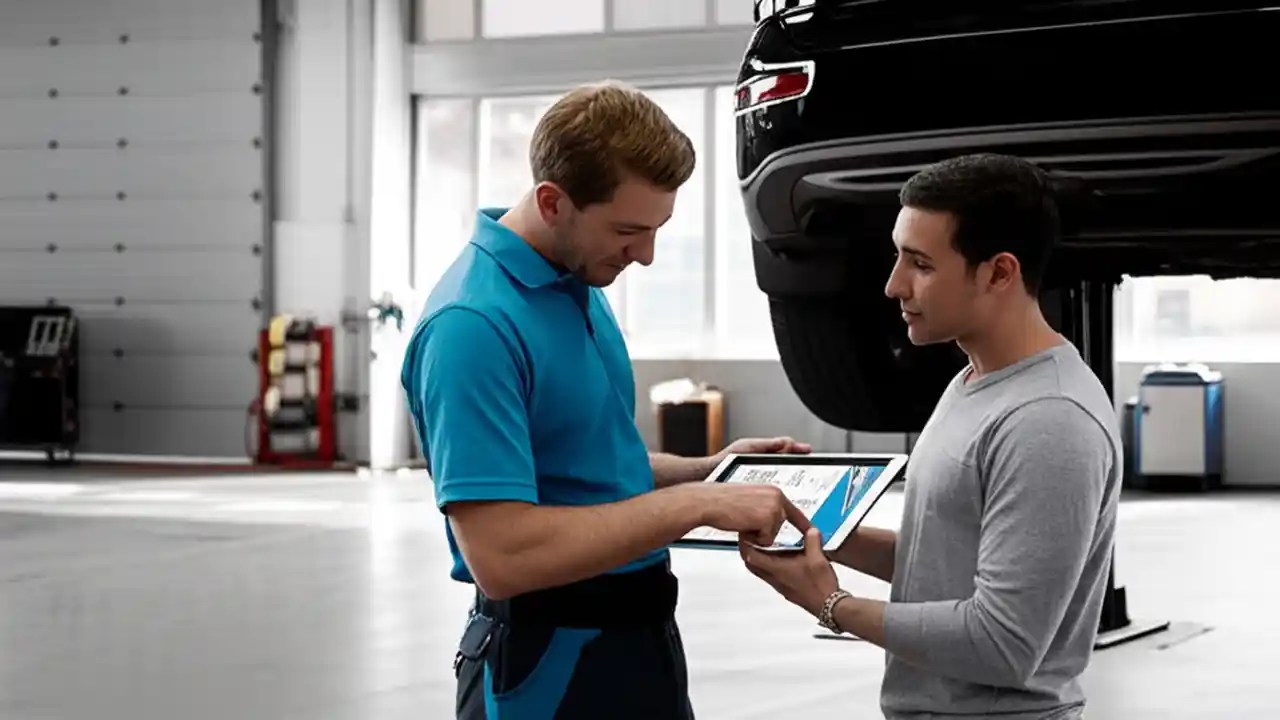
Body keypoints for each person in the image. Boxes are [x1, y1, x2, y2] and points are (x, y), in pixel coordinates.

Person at [400, 80, 813, 720]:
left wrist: (706, 470)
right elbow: (503, 555)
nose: (644, 256)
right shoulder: (472, 328)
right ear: (552, 202)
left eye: (656, 231)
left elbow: (583, 464)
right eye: (627, 230)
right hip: (550, 661)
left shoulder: (577, 278)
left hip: (638, 640)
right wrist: (696, 505)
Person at [739, 153, 1122, 719]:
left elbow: (1002, 643)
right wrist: (817, 528)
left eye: (920, 263)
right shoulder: (974, 380)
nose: (894, 284)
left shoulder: (1049, 420)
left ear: (999, 273)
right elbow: (942, 563)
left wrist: (830, 603)